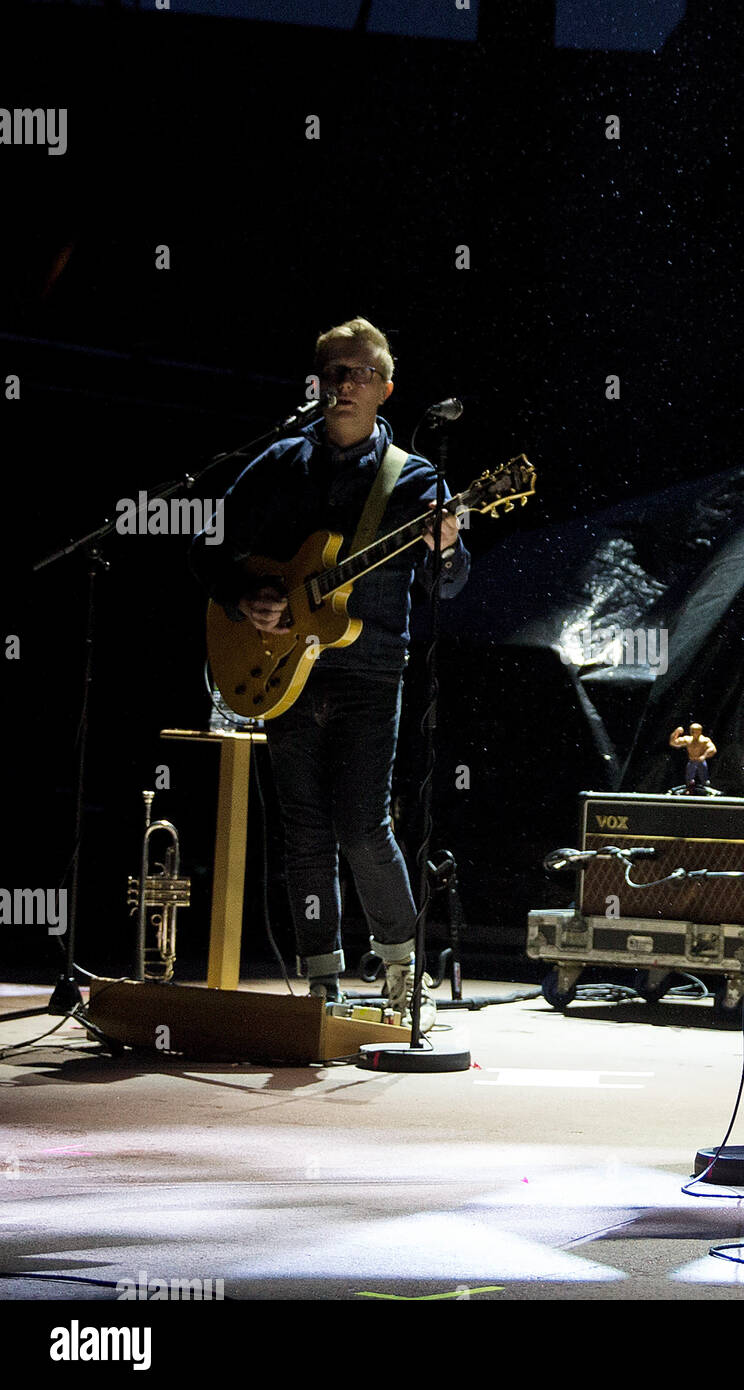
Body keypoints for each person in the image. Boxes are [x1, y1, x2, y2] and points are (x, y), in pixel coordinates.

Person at [191, 317, 469, 1016]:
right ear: (317, 384)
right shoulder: (280, 462)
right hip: (282, 669)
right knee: (305, 830)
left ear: (387, 389)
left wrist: (446, 548)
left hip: (370, 668)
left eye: (361, 373)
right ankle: (321, 979)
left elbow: (454, 584)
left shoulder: (417, 478)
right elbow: (206, 543)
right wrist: (242, 592)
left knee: (360, 824)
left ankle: (404, 972)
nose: (346, 384)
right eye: (334, 372)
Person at [669, 722, 717, 792]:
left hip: (701, 762)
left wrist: (704, 756)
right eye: (691, 730)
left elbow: (712, 749)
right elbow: (673, 742)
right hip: (692, 762)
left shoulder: (704, 740)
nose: (692, 732)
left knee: (704, 779)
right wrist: (676, 732)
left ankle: (706, 789)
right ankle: (689, 788)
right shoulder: (688, 740)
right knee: (689, 779)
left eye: (694, 731)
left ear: (699, 731)